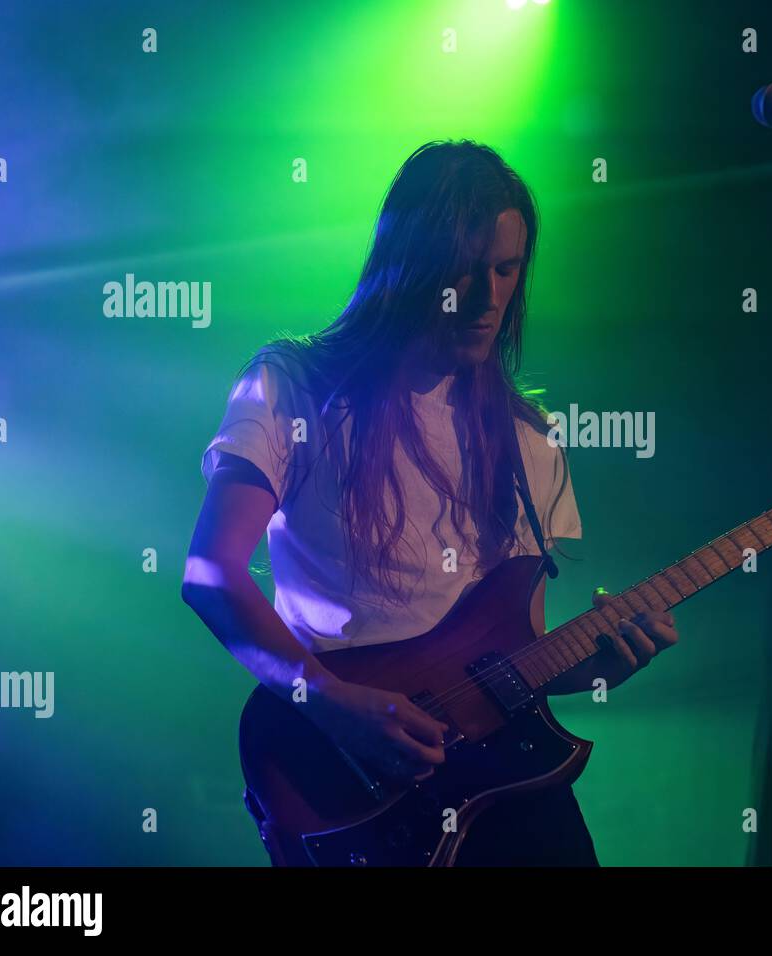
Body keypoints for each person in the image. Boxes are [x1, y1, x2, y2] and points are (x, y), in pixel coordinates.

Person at [181, 140, 678, 866]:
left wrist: (602, 664)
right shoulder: (293, 386)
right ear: (407, 264)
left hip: (507, 794)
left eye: (507, 269)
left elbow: (514, 664)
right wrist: (324, 699)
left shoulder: (529, 439)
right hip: (352, 789)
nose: (488, 298)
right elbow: (210, 576)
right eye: (463, 270)